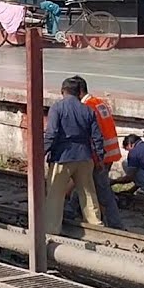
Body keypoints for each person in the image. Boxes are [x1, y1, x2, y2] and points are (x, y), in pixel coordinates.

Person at [43, 78, 105, 234]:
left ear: (62, 91)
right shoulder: (88, 110)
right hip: (84, 156)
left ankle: (52, 228)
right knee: (88, 192)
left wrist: (41, 152)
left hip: (62, 157)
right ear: (79, 93)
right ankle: (96, 225)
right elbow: (97, 137)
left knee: (55, 195)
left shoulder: (57, 108)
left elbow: (52, 133)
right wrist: (99, 158)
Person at [64, 76, 125, 229]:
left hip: (99, 155)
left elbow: (90, 134)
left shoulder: (87, 106)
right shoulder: (99, 102)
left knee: (102, 191)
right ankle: (71, 209)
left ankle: (116, 225)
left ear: (78, 92)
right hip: (109, 152)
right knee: (85, 182)